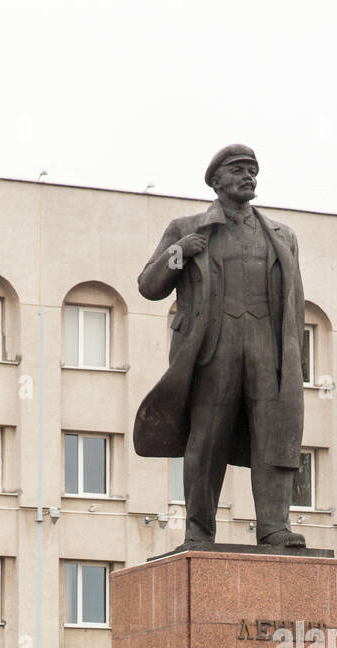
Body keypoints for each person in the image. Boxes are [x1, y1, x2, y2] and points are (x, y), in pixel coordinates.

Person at [134, 144, 307, 550]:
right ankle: (198, 530)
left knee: (273, 437)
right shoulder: (186, 228)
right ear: (216, 181)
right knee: (206, 439)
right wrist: (179, 254)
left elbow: (295, 303)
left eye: (253, 171)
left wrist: (294, 359)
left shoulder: (282, 236)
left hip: (268, 351)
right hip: (212, 350)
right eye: (239, 170)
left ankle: (274, 526)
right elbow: (148, 285)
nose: (249, 177)